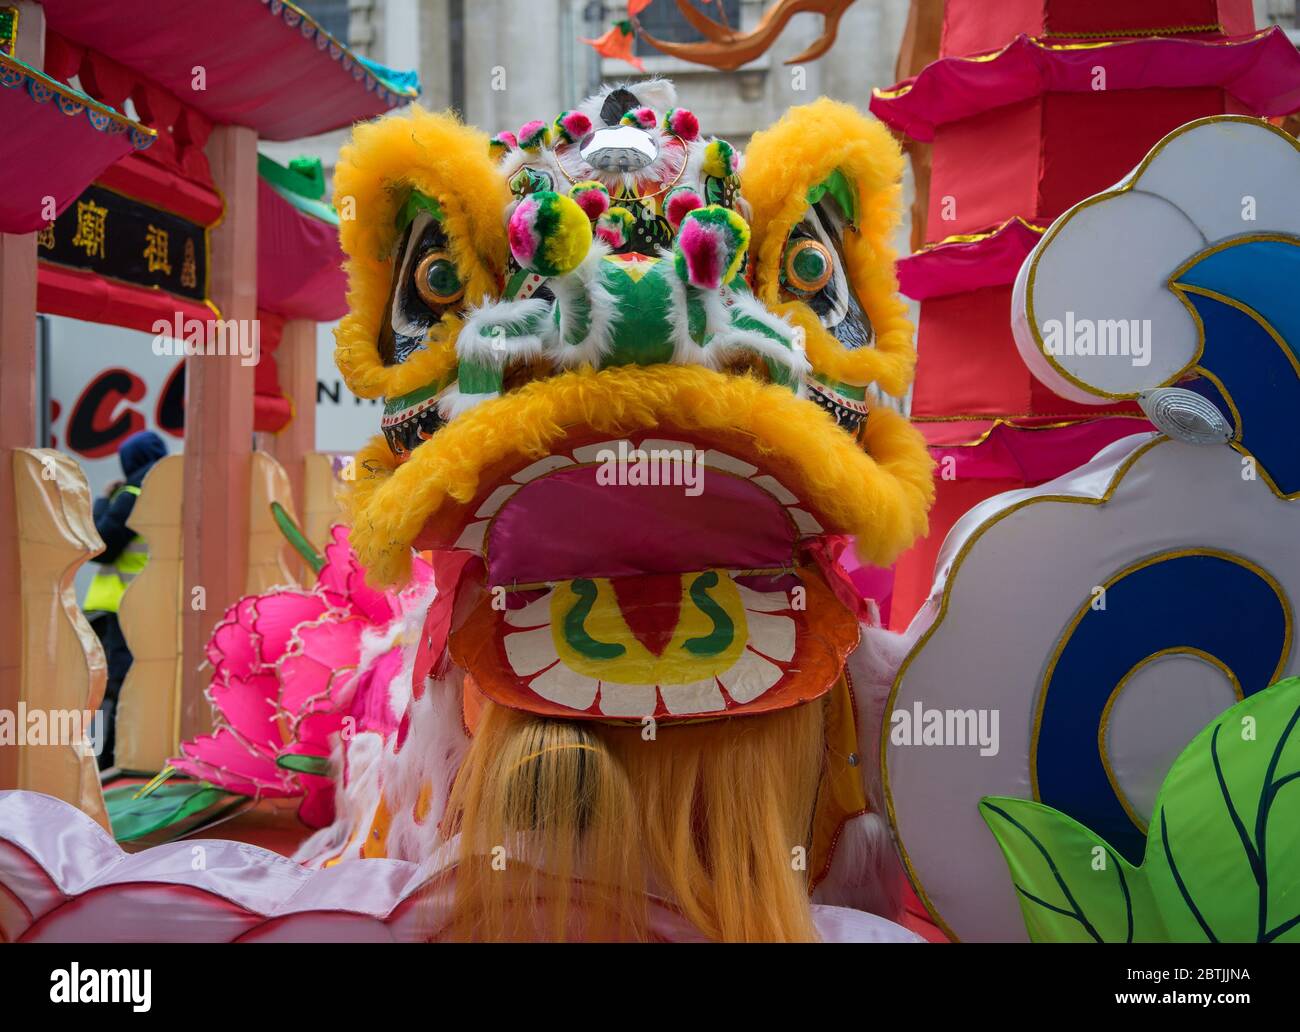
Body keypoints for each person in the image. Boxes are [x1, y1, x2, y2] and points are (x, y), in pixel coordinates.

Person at [84, 430, 167, 770]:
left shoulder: (132, 493)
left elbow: (98, 546)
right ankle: (133, 751)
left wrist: (105, 500)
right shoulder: (167, 491)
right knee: (140, 682)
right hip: (152, 604)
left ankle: (110, 759)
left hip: (119, 606)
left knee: (114, 685)